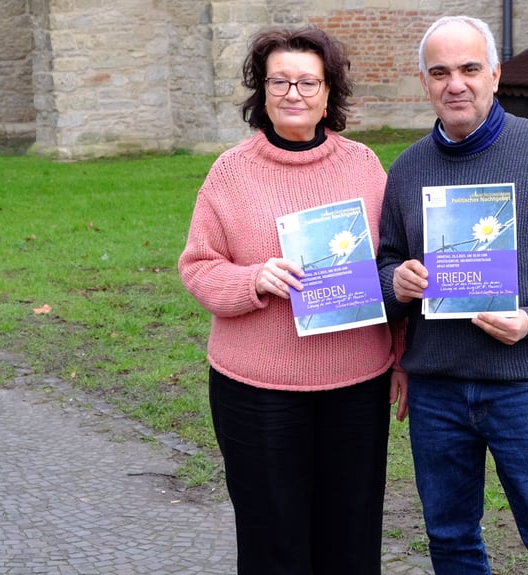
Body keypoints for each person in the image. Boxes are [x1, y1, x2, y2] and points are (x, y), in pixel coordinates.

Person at [376, 15, 528, 575]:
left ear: (496, 75)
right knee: (450, 540)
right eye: (440, 73)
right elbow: (386, 261)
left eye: (469, 69)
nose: (455, 84)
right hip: (437, 389)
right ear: (425, 82)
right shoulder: (407, 169)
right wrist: (396, 283)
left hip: (525, 384)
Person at [178, 26, 407, 575]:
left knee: (350, 541)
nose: (293, 93)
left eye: (308, 82)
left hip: (356, 385)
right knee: (271, 543)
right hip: (257, 391)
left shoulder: (364, 166)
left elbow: (390, 264)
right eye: (279, 81)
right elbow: (198, 266)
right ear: (262, 92)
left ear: (329, 93)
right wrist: (254, 279)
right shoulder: (230, 172)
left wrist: (401, 356)